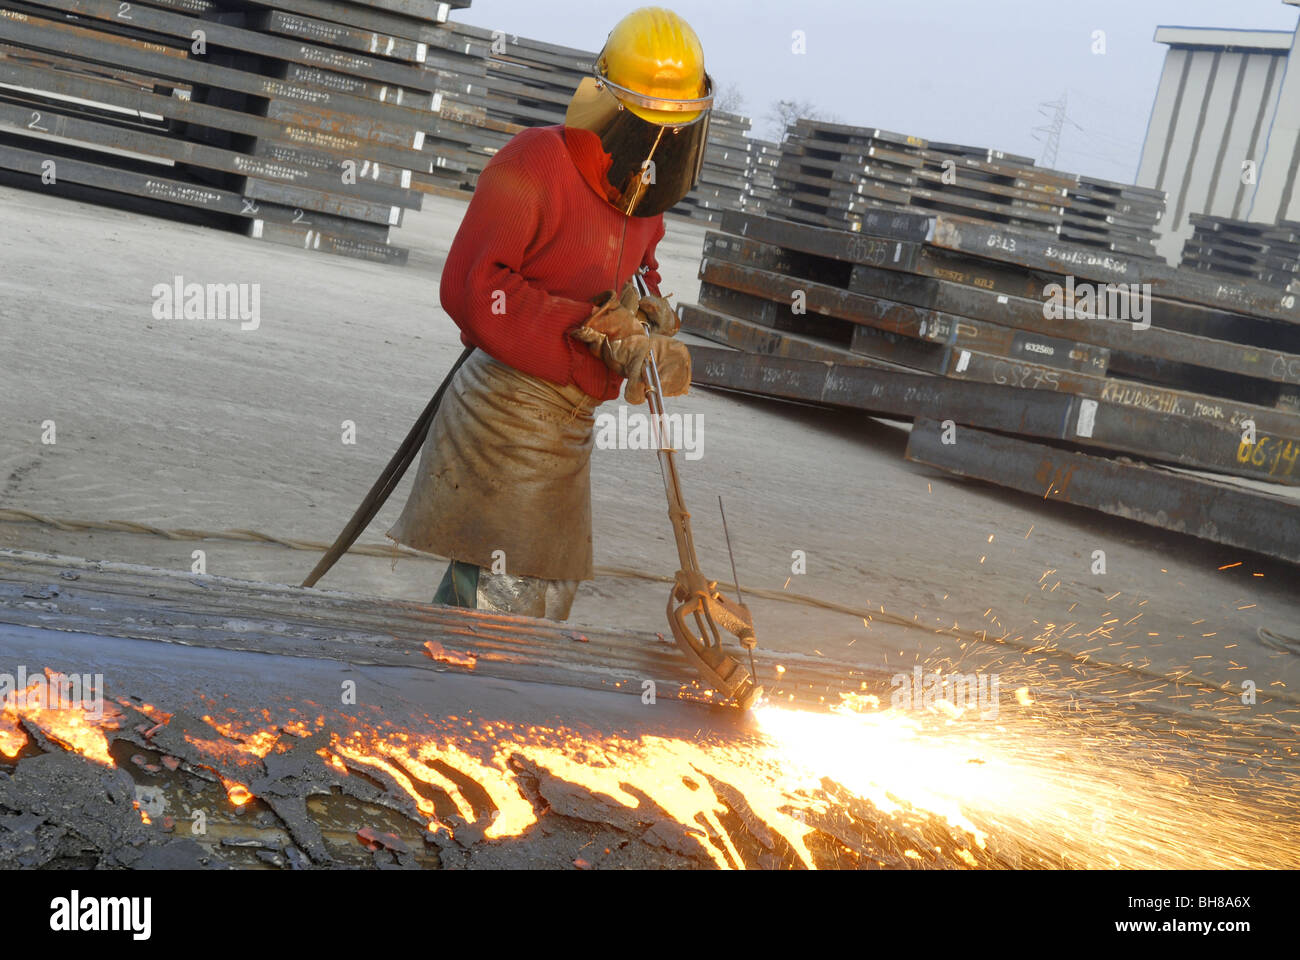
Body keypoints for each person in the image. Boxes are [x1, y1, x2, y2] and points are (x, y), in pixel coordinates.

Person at [388, 6, 715, 620]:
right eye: (647, 125)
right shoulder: (536, 162)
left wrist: (643, 323)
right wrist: (587, 329)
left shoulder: (645, 199)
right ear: (609, 101)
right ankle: (442, 700)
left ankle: (440, 689)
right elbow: (471, 286)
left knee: (537, 598)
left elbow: (630, 273)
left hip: (571, 424)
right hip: (506, 416)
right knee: (500, 603)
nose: (656, 145)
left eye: (672, 129)